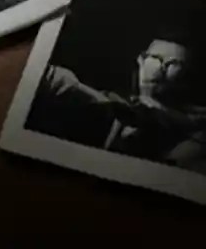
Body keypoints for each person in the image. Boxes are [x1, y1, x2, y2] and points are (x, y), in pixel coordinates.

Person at [35, 33, 206, 172]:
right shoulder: (110, 102)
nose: (161, 68)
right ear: (141, 60)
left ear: (185, 79)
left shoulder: (196, 131)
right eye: (155, 58)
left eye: (174, 64)